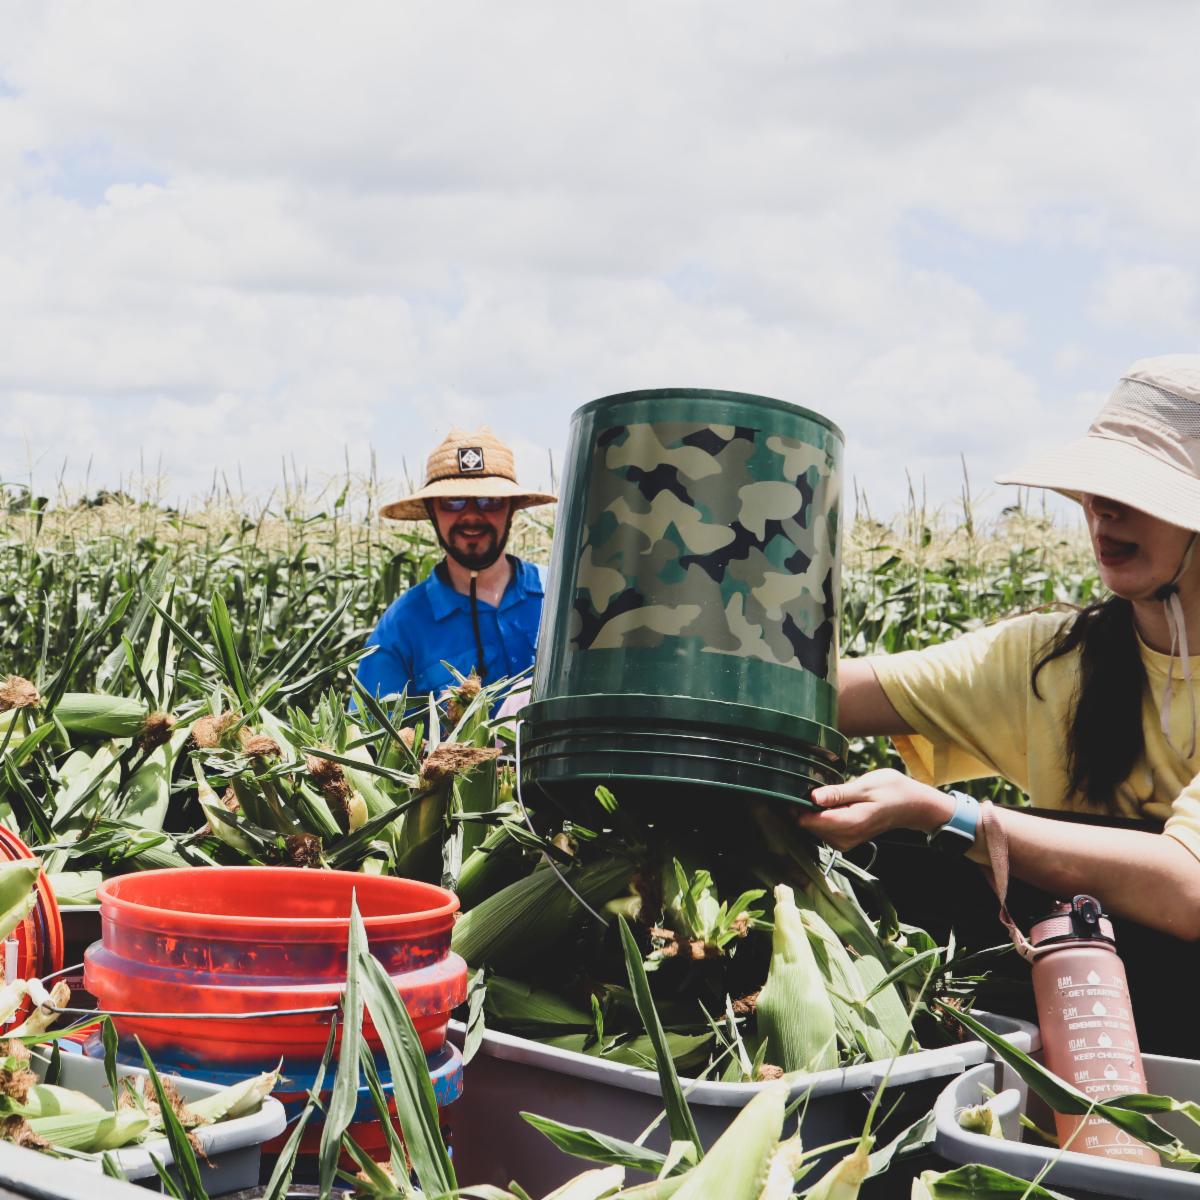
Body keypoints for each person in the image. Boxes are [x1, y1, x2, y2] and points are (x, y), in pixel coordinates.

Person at [795, 355, 1200, 941]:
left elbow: (1187, 890)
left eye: (1141, 491)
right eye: (1099, 486)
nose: (1103, 509)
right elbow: (825, 697)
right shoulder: (1051, 658)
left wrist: (949, 816)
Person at [356, 427, 556, 706]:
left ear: (511, 508)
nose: (472, 515)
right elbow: (373, 727)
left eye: (490, 501)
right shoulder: (402, 626)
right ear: (432, 510)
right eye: (453, 501)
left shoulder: (559, 595)